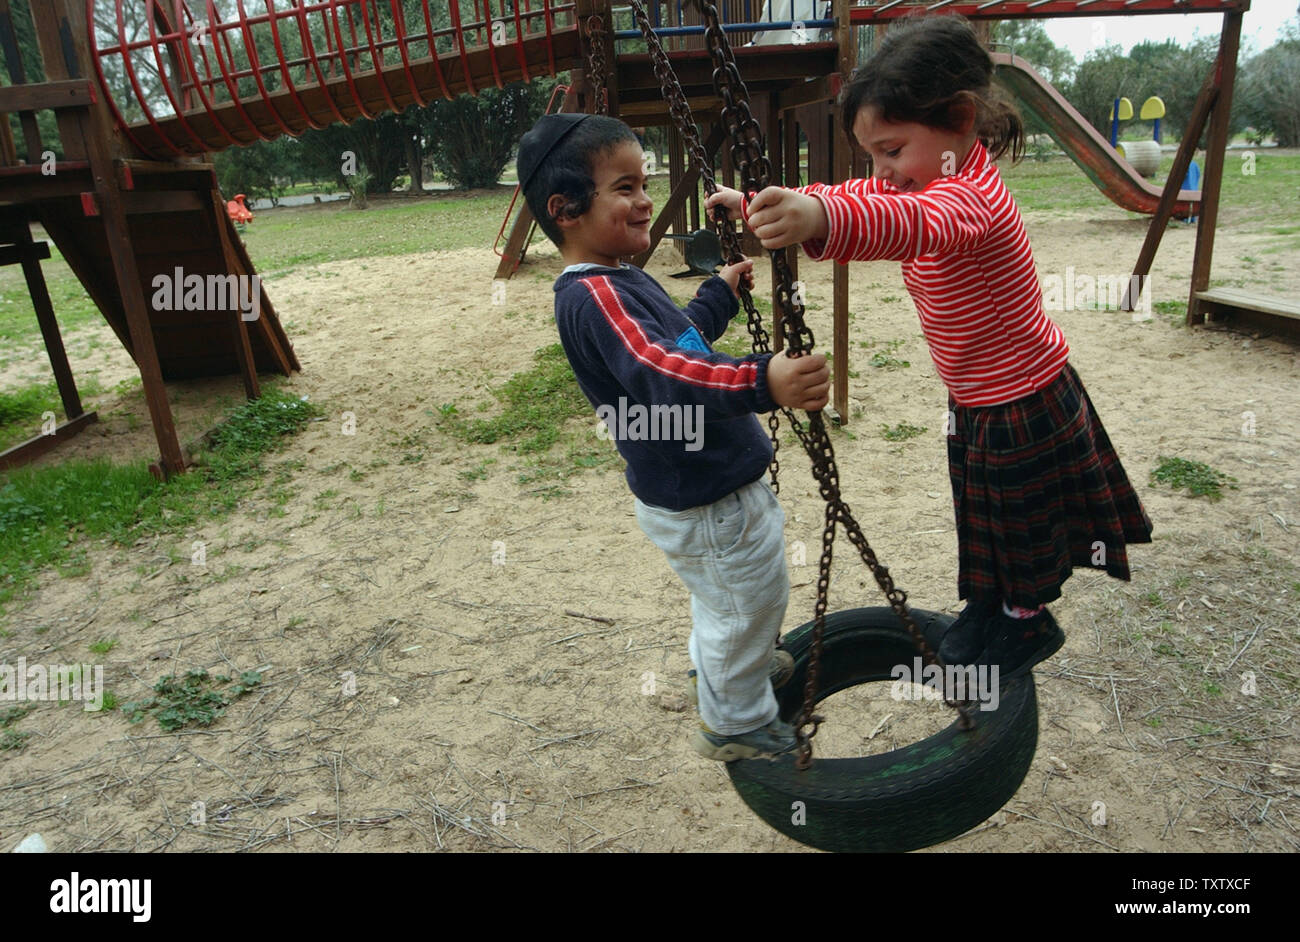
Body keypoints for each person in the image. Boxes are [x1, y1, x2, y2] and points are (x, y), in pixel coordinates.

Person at [706, 15, 1153, 680]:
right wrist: (761, 204)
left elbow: (910, 222)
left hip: (1023, 395)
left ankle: (1027, 624)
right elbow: (860, 195)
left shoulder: (972, 199)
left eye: (892, 150)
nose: (881, 171)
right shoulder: (920, 178)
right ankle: (987, 604)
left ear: (961, 119)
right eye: (874, 157)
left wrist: (822, 219)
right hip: (976, 395)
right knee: (983, 510)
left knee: (1019, 524)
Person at [516, 113, 831, 758]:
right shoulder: (595, 296)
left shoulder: (615, 279)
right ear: (565, 208)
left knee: (727, 599)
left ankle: (719, 671)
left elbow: (672, 341)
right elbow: (662, 374)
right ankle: (735, 722)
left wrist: (716, 294)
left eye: (645, 182)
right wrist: (762, 381)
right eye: (625, 187)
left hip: (701, 485)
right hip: (704, 494)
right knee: (750, 599)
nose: (645, 200)